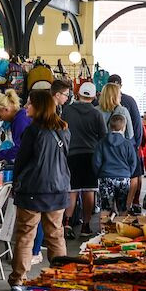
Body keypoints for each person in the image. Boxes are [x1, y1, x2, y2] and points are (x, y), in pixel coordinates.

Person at [8, 84, 70, 291]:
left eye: (30, 104)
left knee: (26, 235)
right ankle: (61, 278)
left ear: (39, 107)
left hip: (32, 190)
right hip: (59, 188)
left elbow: (22, 161)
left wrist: (16, 184)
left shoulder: (32, 131)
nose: (26, 108)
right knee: (55, 235)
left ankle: (18, 281)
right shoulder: (63, 129)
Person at [59, 81, 107, 237]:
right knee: (89, 191)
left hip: (71, 155)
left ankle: (67, 223)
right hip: (90, 156)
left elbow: (61, 129)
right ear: (94, 97)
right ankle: (86, 226)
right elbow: (103, 136)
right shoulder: (96, 113)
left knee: (71, 190)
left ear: (78, 93)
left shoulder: (67, 111)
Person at [105, 75, 144, 214]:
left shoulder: (98, 106)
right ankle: (130, 204)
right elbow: (136, 127)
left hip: (105, 149)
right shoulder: (127, 103)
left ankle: (111, 211)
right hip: (127, 146)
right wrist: (136, 144)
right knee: (133, 175)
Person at [94, 111, 138, 222]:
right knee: (123, 207)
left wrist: (99, 174)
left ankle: (104, 232)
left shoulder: (102, 143)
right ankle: (122, 231)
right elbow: (133, 162)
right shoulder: (127, 144)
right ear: (124, 128)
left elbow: (96, 161)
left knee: (105, 208)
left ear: (109, 126)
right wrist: (128, 173)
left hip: (106, 177)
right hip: (123, 178)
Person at [0, 88, 25, 161]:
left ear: (6, 109)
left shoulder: (20, 121)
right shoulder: (20, 117)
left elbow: (21, 149)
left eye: (0, 116)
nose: (0, 119)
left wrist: (2, 154)